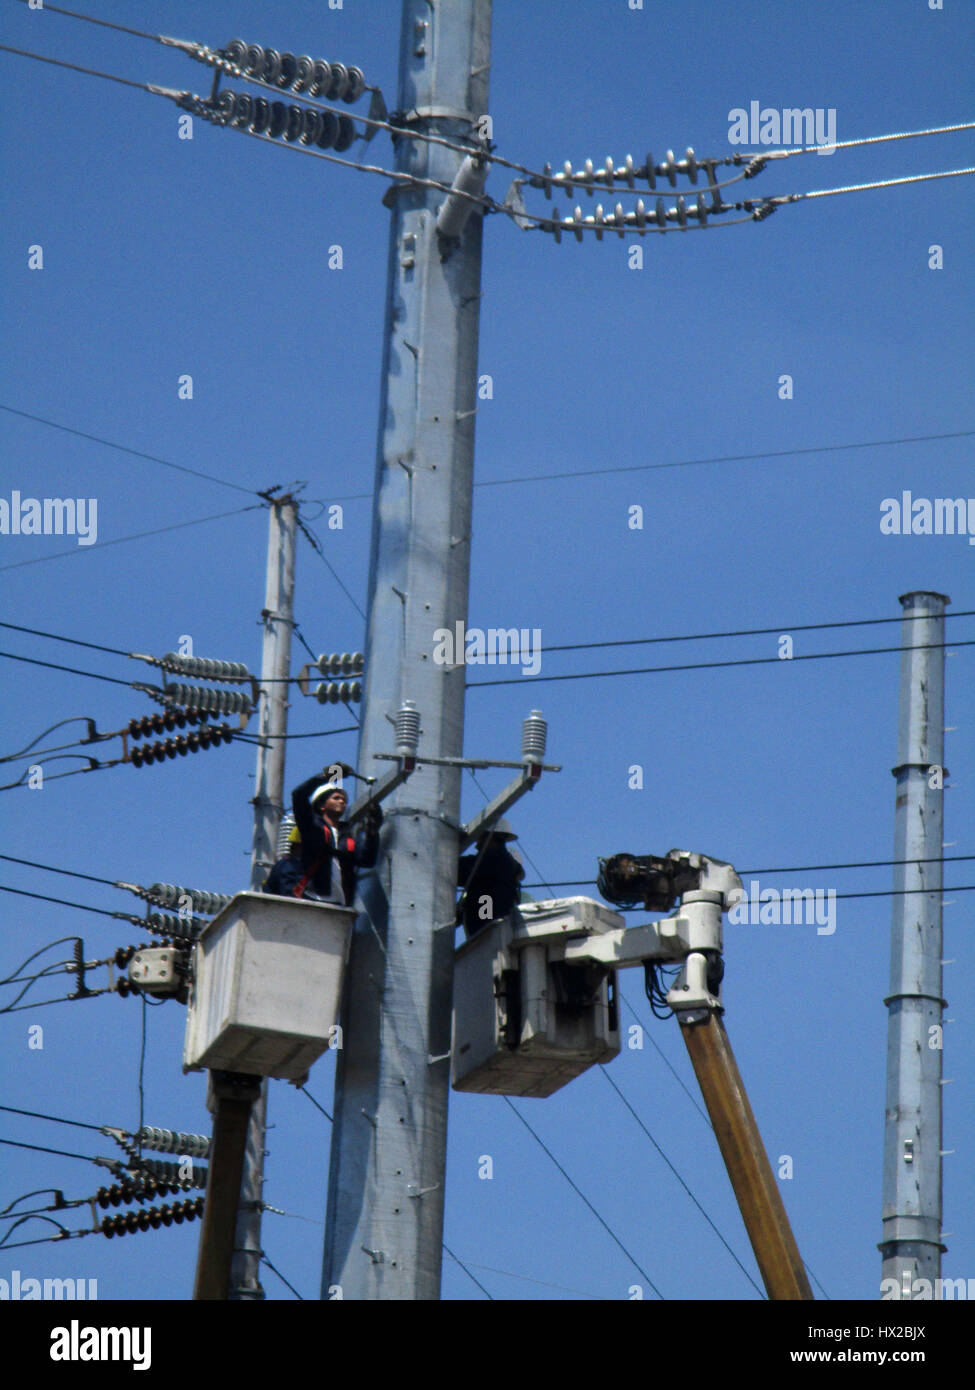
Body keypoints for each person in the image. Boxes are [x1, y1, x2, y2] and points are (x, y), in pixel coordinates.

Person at [265, 769, 382, 905]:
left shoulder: (346, 839)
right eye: (336, 798)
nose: (342, 801)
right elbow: (299, 794)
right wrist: (332, 773)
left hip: (339, 906)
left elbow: (367, 861)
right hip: (313, 899)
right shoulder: (313, 828)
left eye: (343, 799)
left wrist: (373, 832)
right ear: (321, 806)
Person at [456, 819, 524, 938]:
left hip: (487, 929)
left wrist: (446, 853)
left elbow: (458, 869)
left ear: (490, 838)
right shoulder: (504, 863)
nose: (477, 846)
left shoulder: (493, 862)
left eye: (480, 839)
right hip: (493, 927)